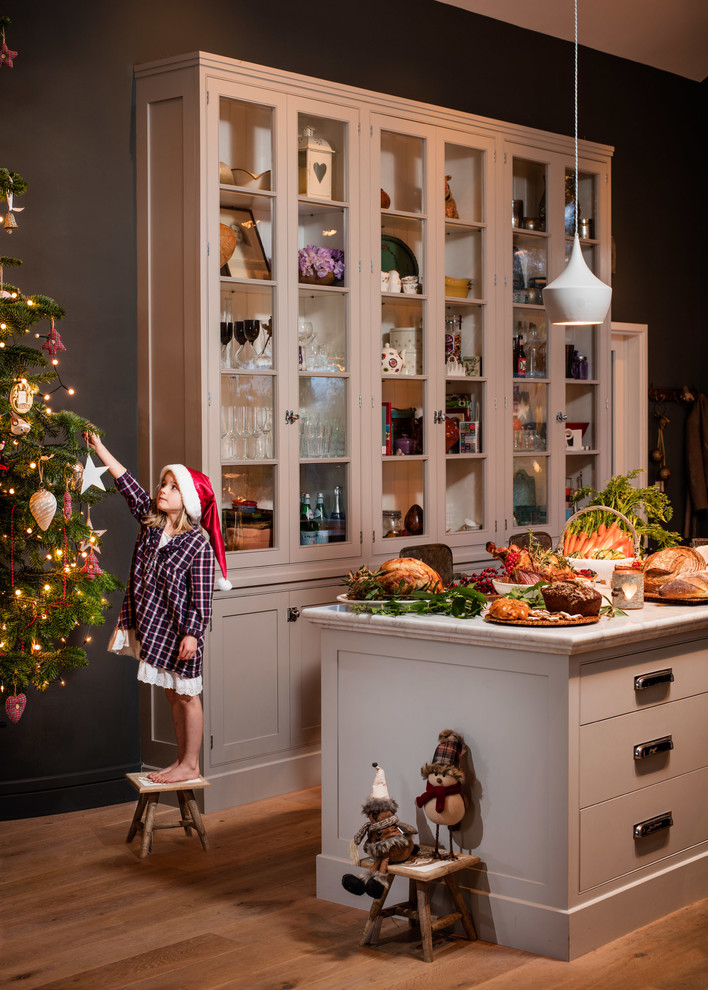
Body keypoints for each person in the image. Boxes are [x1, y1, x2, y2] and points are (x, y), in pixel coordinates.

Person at [85, 433, 231, 784]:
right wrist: (101, 448)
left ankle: (191, 764)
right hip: (156, 626)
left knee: (188, 695)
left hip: (183, 632)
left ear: (189, 502)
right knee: (172, 693)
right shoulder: (151, 525)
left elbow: (202, 597)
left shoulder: (197, 543)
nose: (162, 490)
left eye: (172, 487)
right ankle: (181, 760)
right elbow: (128, 484)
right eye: (163, 485)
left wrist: (194, 634)